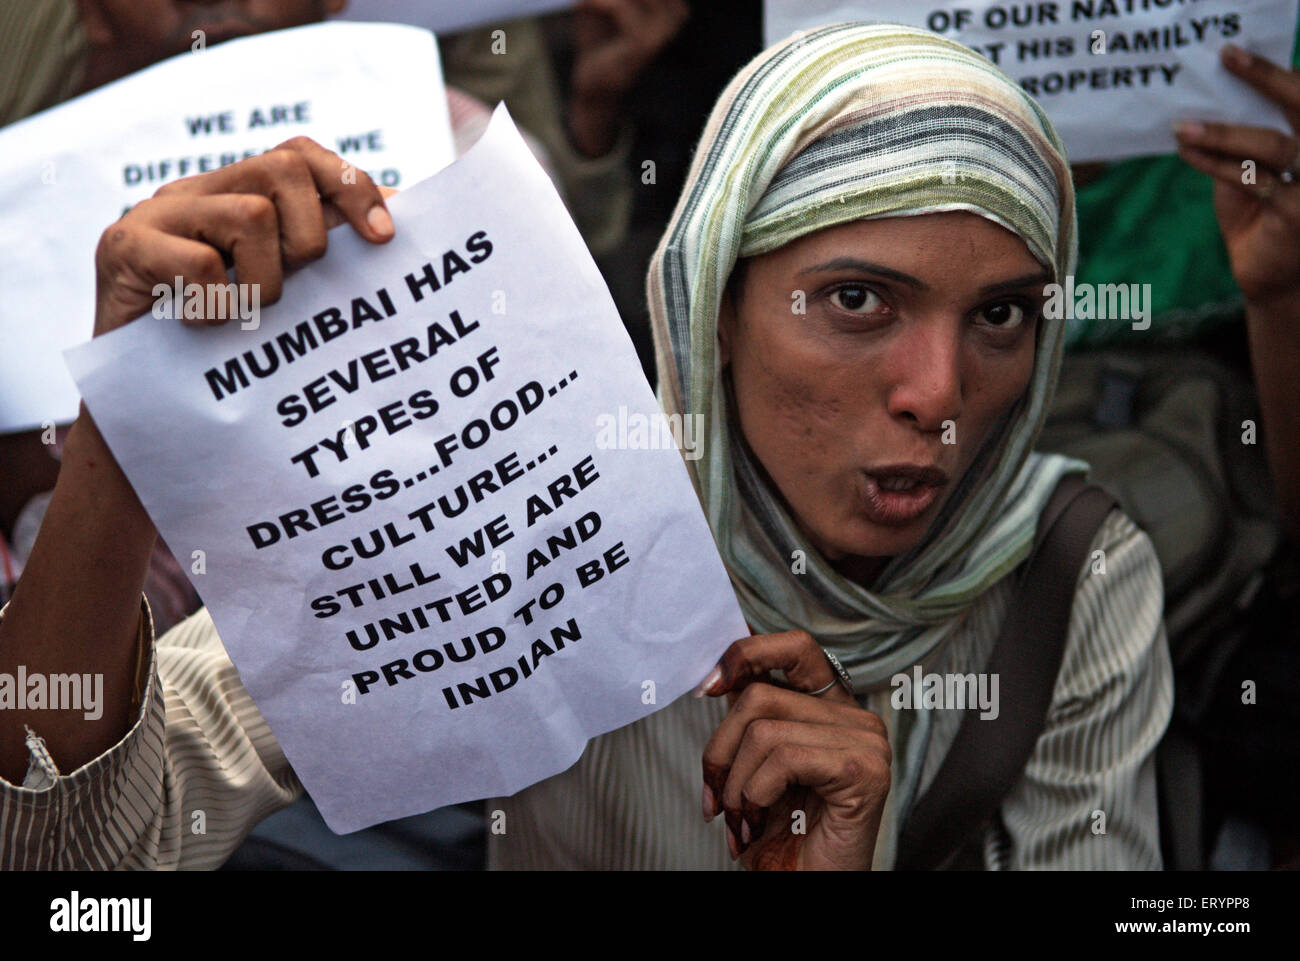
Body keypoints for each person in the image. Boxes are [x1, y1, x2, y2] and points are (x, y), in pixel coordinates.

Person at [0, 23, 1181, 870]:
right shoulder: (521, 500)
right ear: (714, 304)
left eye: (1001, 316)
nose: (938, 394)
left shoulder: (1073, 573)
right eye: (858, 302)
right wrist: (126, 413)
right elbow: (67, 857)